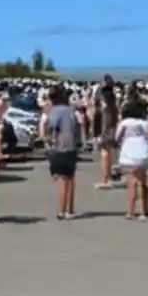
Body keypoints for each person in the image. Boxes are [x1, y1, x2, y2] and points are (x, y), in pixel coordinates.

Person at [45, 85, 81, 219]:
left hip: (60, 146)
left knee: (62, 179)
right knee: (70, 178)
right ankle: (70, 209)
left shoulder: (56, 111)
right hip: (72, 147)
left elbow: (52, 126)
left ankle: (62, 210)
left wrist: (47, 138)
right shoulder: (70, 110)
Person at [116, 99, 148, 220]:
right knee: (143, 182)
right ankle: (144, 210)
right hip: (143, 153)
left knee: (131, 183)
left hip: (128, 154)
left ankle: (131, 211)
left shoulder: (124, 123)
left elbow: (117, 137)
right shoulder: (145, 124)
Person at [96, 75, 120, 189]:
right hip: (112, 126)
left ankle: (106, 179)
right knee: (108, 152)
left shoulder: (104, 99)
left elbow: (103, 109)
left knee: (105, 152)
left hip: (107, 127)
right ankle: (108, 177)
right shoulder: (113, 98)